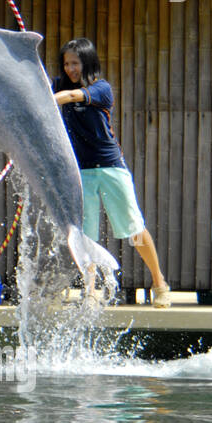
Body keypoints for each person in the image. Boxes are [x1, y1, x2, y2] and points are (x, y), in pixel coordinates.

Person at [51, 37, 171, 308]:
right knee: (85, 235)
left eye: (76, 63)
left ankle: (159, 283)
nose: (71, 69)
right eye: (67, 64)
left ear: (88, 62)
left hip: (110, 167)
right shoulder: (57, 86)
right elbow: (50, 90)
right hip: (81, 172)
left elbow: (70, 97)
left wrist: (46, 101)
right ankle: (91, 291)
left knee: (134, 230)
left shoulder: (101, 88)